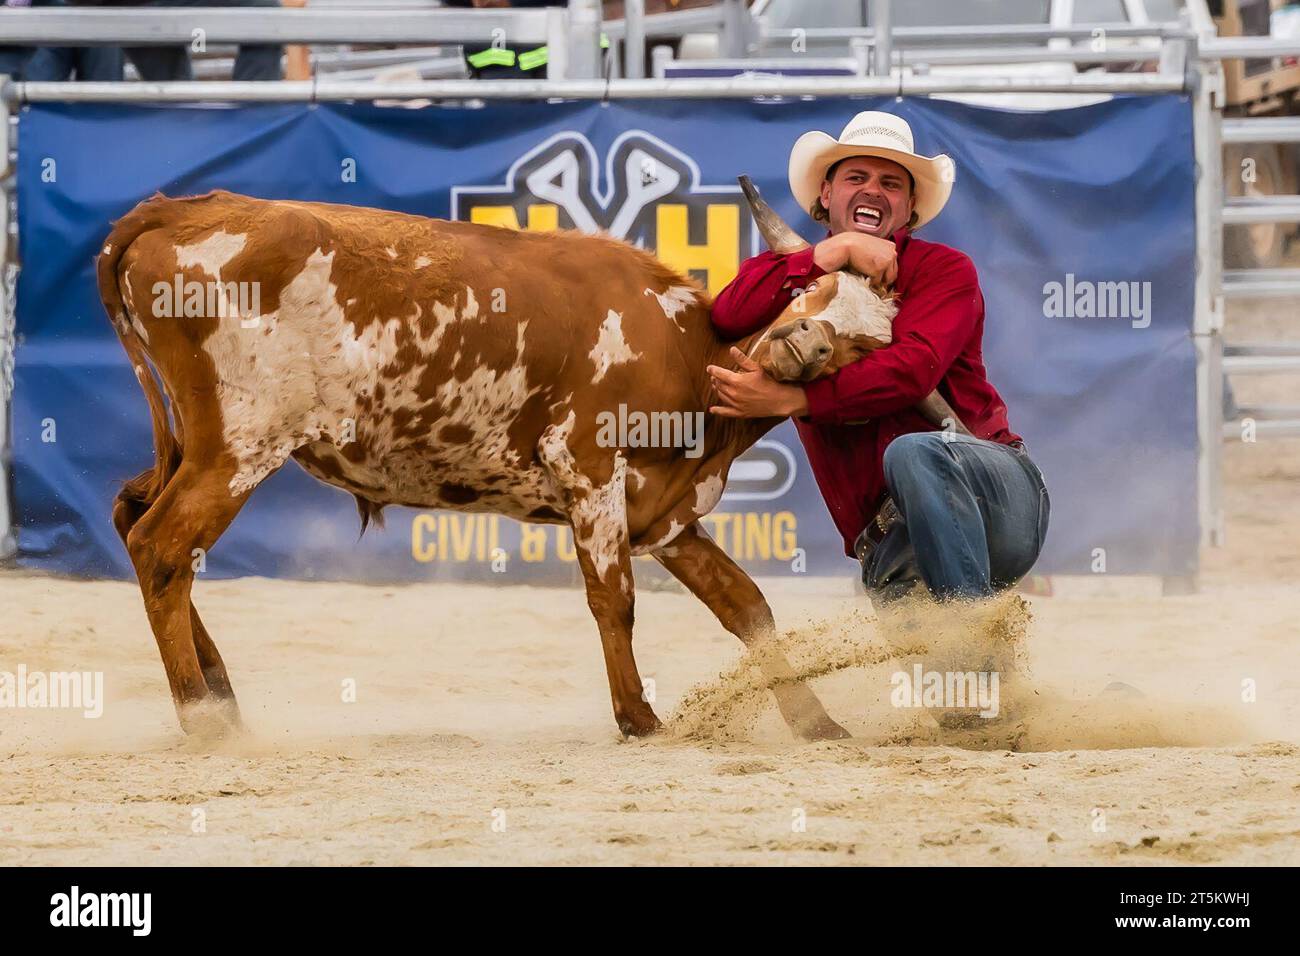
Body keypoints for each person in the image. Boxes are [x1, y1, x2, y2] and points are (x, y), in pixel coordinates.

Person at [707, 110, 1050, 606]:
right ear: (827, 195)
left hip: (991, 493)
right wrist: (834, 252)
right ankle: (984, 658)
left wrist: (794, 400)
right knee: (942, 678)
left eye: (891, 183)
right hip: (887, 544)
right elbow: (728, 313)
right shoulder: (792, 272)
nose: (872, 190)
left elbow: (910, 371)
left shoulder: (944, 270)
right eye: (856, 177)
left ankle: (970, 626)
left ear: (909, 206)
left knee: (914, 453)